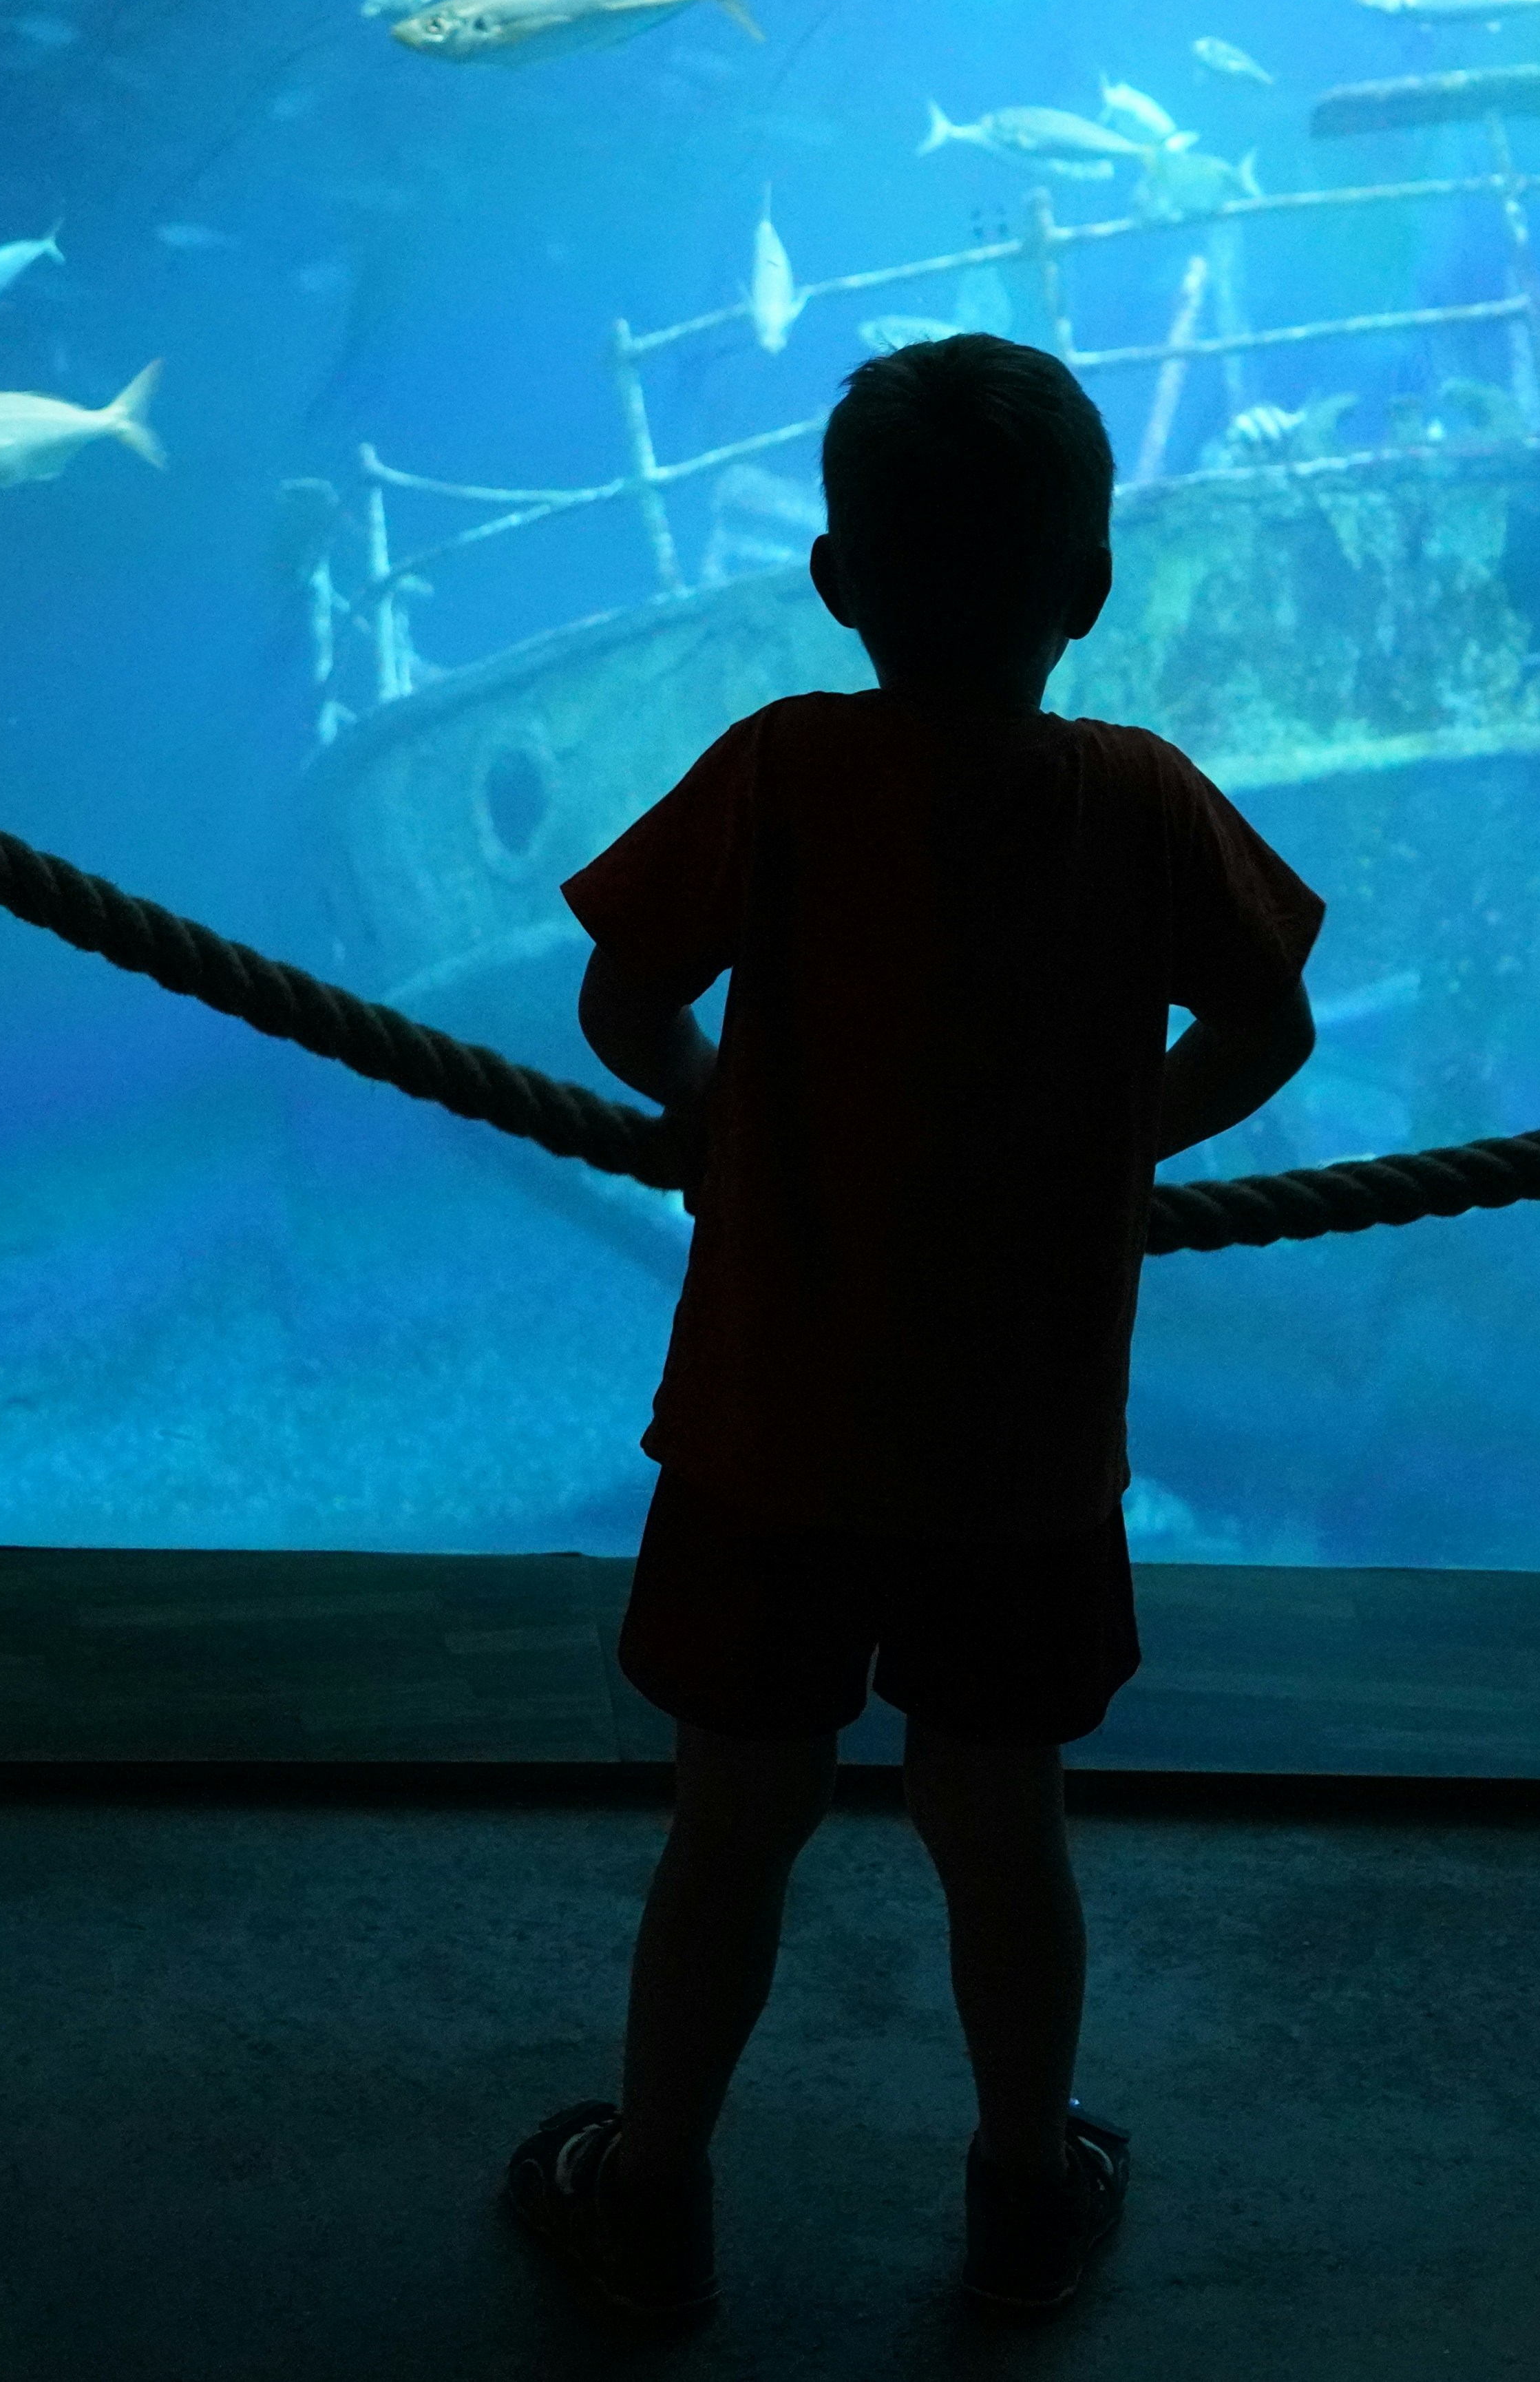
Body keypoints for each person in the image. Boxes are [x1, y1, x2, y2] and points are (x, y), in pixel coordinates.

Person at [501, 332, 1324, 2326]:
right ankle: (1029, 2178)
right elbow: (1270, 1022)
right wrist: (1116, 1145)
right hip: (1020, 1441)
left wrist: (720, 1116)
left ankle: (654, 2181)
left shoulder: (786, 762)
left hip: (774, 1423)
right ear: (1091, 587)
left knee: (734, 1815)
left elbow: (617, 997)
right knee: (998, 1813)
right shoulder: (1140, 796)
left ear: (837, 574)